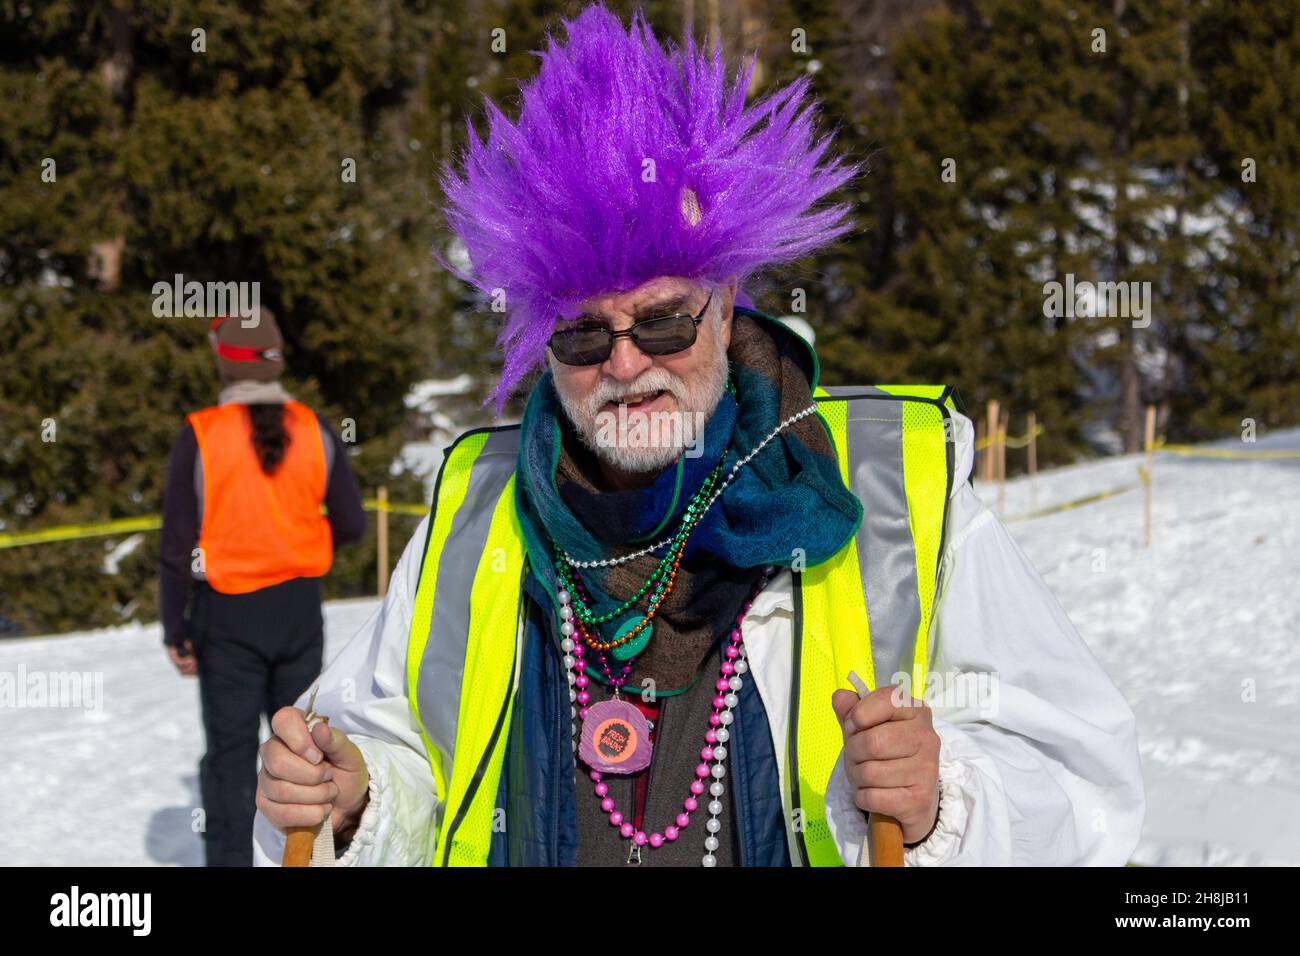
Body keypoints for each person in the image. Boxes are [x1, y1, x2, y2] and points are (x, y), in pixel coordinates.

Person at [252, 4, 1144, 867]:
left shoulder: (891, 487)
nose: (628, 365)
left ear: (724, 307)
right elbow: (396, 750)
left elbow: (1083, 788)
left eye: (665, 322)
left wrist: (944, 802)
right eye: (584, 335)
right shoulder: (477, 507)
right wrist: (354, 797)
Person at [159, 305, 366, 866]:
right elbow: (352, 523)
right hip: (299, 610)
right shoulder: (314, 428)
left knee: (229, 758)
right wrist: (295, 533)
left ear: (225, 366)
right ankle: (311, 858)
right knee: (304, 750)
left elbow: (176, 547)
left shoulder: (201, 434)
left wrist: (174, 629)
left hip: (226, 617)